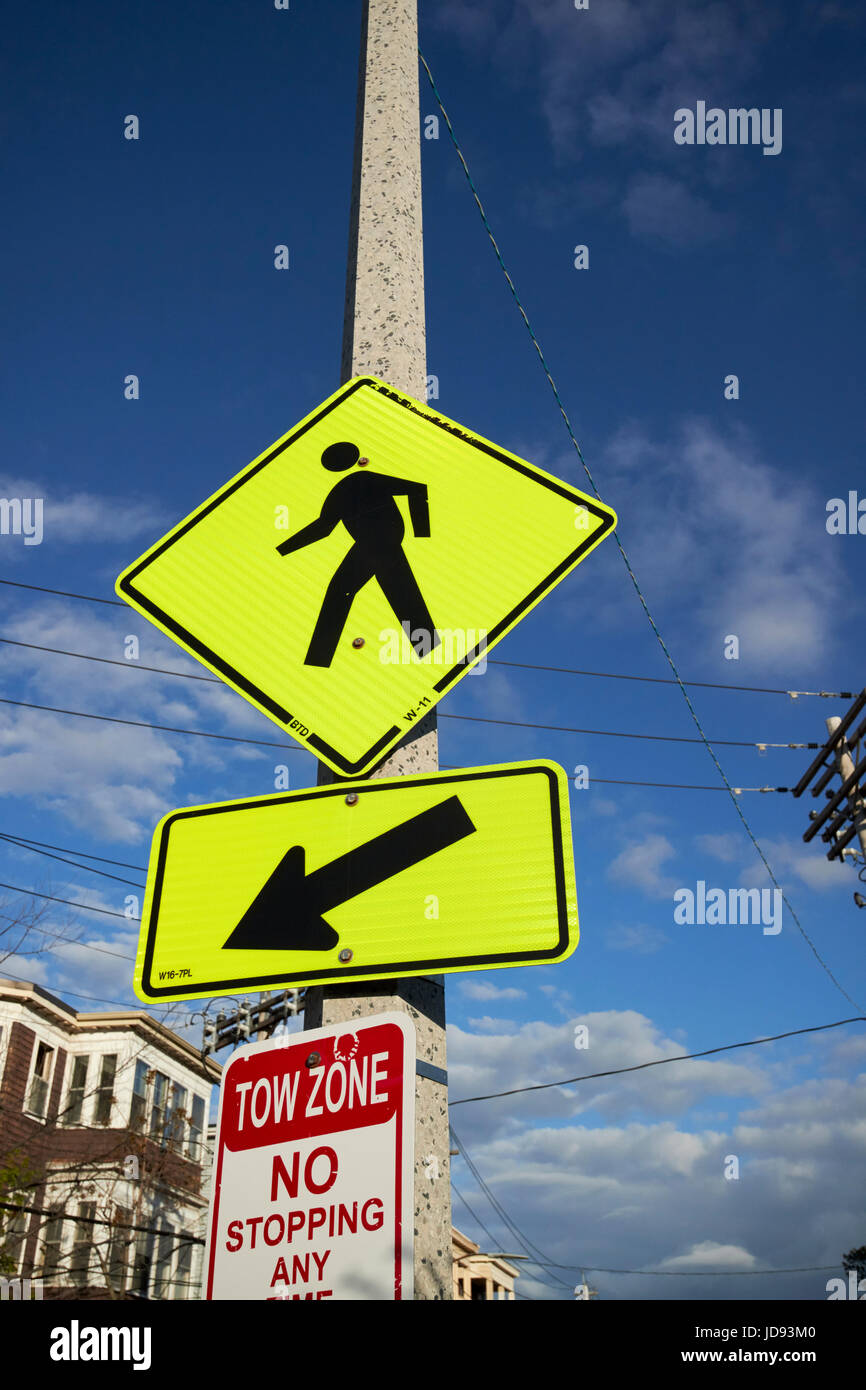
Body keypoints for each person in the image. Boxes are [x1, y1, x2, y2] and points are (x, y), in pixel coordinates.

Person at [277, 440, 439, 668]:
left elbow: (416, 489)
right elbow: (323, 527)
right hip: (373, 542)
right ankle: (429, 650)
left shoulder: (363, 480)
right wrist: (283, 549)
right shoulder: (343, 489)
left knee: (349, 591)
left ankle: (318, 660)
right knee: (398, 592)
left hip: (381, 539)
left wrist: (422, 534)